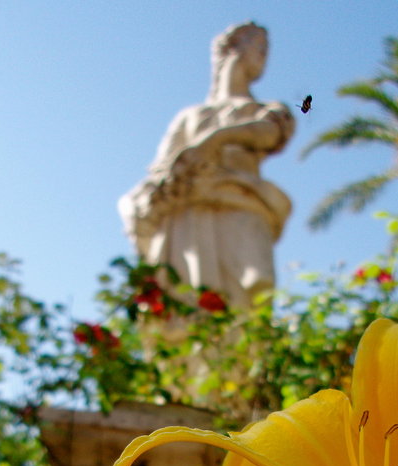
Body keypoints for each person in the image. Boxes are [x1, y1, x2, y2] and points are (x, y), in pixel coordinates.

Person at [119, 22, 294, 311]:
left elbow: (271, 132)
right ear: (233, 47)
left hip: (241, 207)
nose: (265, 52)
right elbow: (163, 169)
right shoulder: (190, 117)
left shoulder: (265, 111)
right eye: (258, 44)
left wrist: (217, 139)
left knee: (251, 301)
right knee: (186, 306)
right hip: (187, 219)